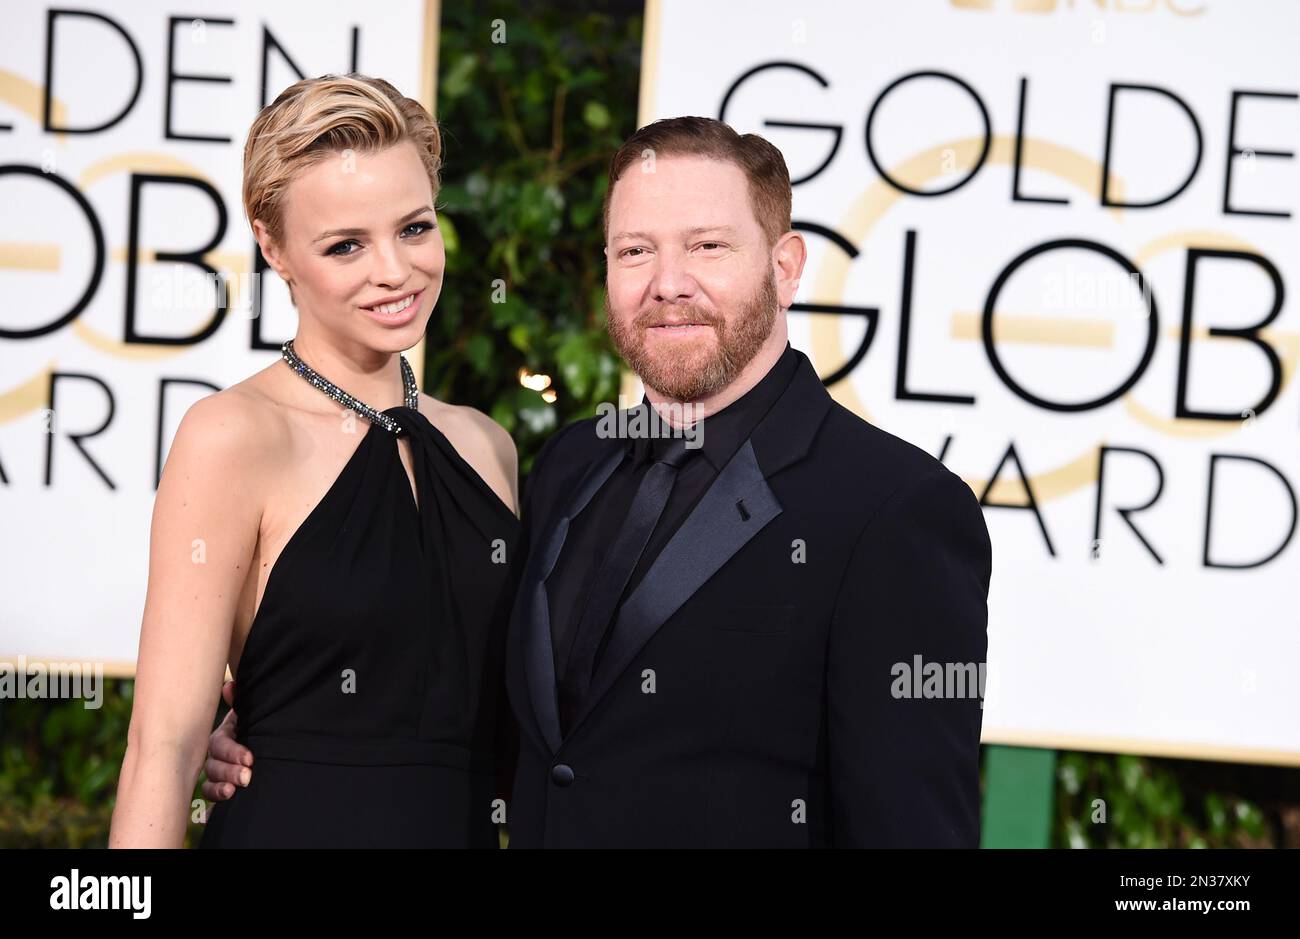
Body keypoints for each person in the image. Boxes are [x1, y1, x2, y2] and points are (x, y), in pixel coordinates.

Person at [204, 116, 991, 848]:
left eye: (708, 247)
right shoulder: (572, 466)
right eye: (635, 250)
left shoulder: (894, 508)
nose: (668, 283)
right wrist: (279, 731)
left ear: (784, 267)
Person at [109, 74, 519, 848]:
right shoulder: (232, 435)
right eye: (345, 245)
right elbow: (162, 748)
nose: (395, 270)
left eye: (415, 228)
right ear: (274, 246)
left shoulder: (486, 447)